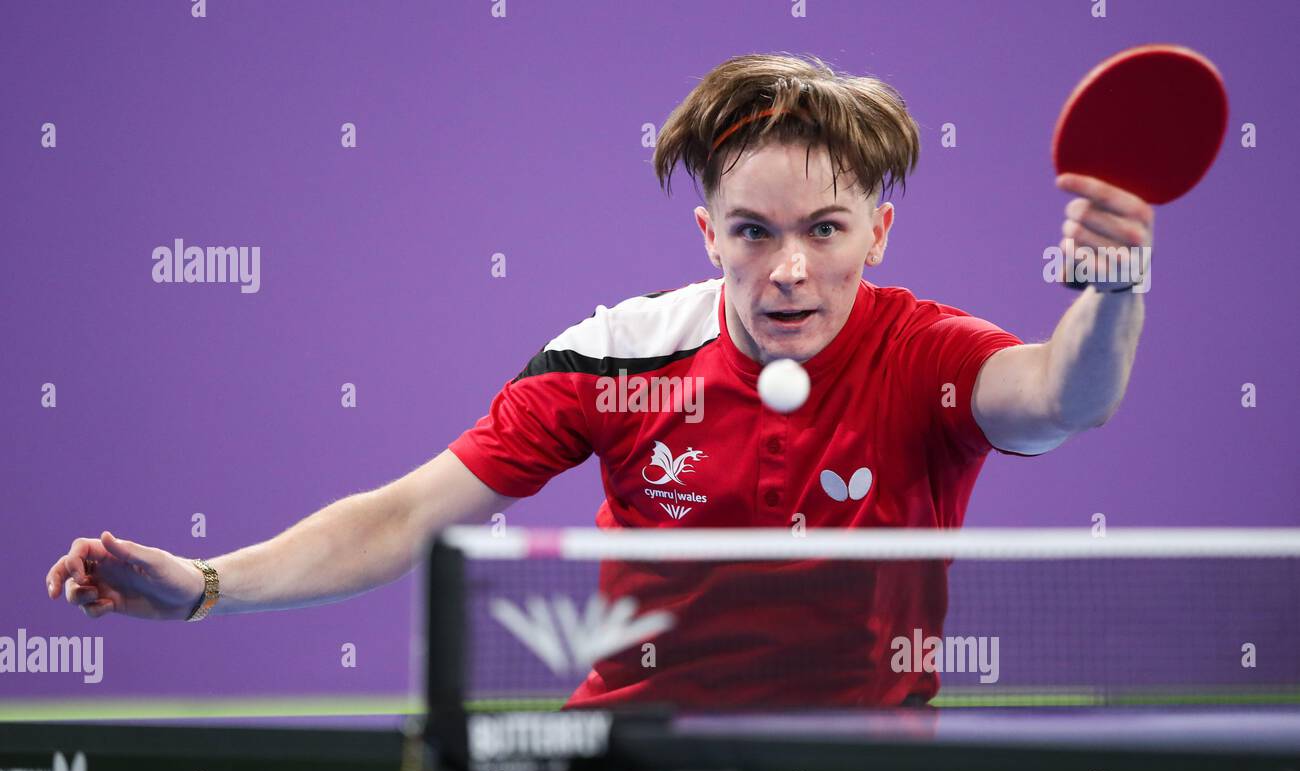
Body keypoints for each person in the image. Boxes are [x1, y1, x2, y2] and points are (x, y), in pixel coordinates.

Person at [45, 53, 1149, 706]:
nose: (791, 269)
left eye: (825, 227)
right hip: (631, 754)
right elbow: (405, 516)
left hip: (861, 768)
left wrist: (1111, 286)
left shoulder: (928, 357)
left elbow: (1064, 397)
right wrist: (205, 584)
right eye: (755, 231)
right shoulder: (618, 355)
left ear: (880, 229)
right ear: (709, 232)